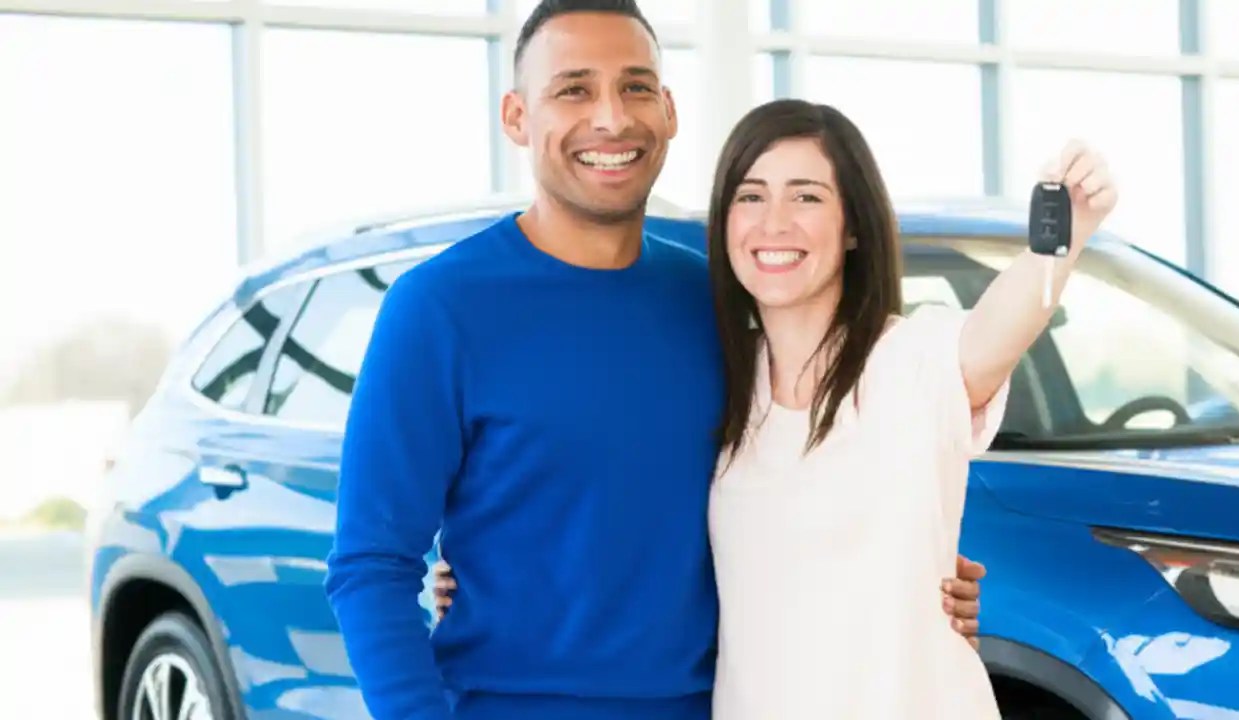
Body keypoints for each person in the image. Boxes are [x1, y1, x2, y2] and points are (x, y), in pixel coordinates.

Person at [326, 2, 983, 719]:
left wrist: (921, 572)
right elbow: (371, 567)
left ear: (669, 111)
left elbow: (821, 461)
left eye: (636, 87)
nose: (611, 118)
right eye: (573, 88)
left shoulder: (720, 298)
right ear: (517, 117)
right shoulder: (438, 309)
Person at [701, 101, 1115, 718]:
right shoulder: (721, 382)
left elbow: (1000, 328)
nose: (775, 223)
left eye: (807, 197)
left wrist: (1068, 229)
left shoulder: (909, 361)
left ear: (852, 227)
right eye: (751, 196)